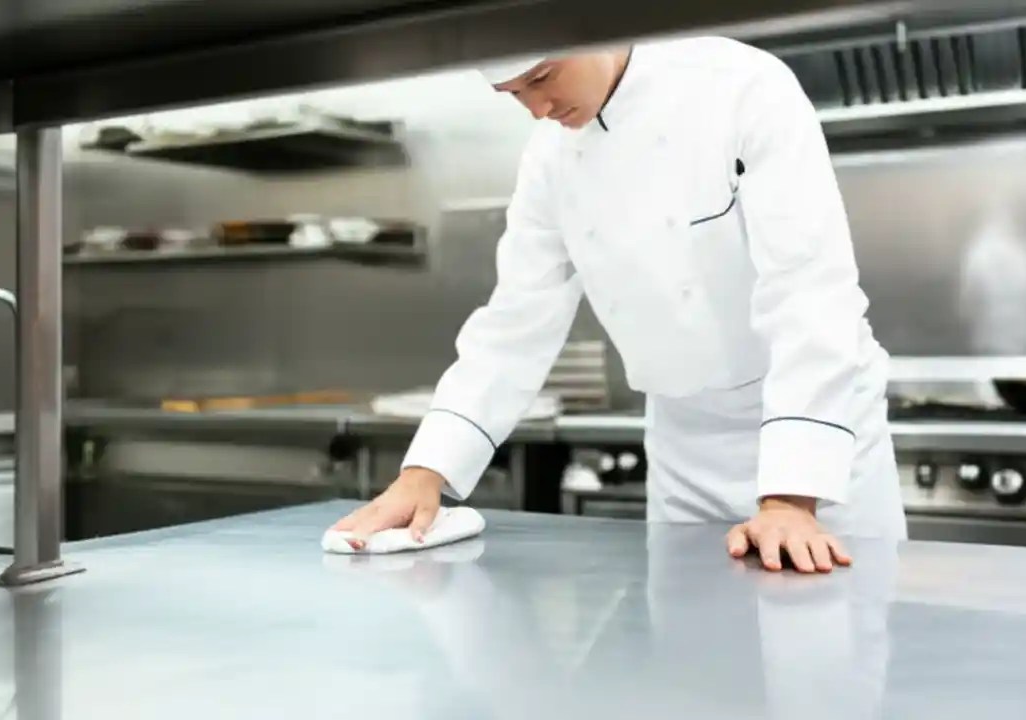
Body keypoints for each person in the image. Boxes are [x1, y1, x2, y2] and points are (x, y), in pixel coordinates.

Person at [332, 36, 906, 572]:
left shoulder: (742, 87)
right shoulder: (549, 162)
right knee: (692, 666)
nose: (537, 109)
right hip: (684, 450)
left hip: (820, 445)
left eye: (542, 77)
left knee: (829, 654)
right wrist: (424, 472)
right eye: (514, 96)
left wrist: (789, 498)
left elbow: (809, 292)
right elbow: (515, 323)